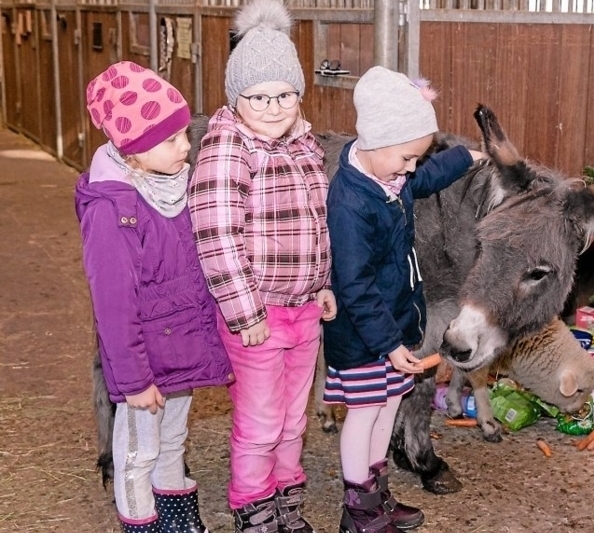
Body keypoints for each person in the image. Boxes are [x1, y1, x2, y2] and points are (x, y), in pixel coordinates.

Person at [187, 0, 336, 531]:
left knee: (294, 414)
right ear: (236, 96)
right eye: (258, 97)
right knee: (260, 417)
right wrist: (245, 312)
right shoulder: (226, 150)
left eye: (285, 94)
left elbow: (317, 221)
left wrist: (322, 283)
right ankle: (251, 502)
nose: (273, 107)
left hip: (303, 310)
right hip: (258, 314)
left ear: (299, 93)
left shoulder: (304, 144)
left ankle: (286, 492)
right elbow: (216, 234)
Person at [323, 66, 486, 533]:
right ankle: (358, 511)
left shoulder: (390, 176)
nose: (412, 168)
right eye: (407, 157)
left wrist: (467, 157)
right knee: (365, 413)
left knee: (389, 405)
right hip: (364, 336)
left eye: (416, 157)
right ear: (376, 141)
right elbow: (353, 283)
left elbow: (428, 174)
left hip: (395, 326)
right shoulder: (351, 201)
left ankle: (376, 496)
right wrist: (389, 343)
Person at [75, 60, 234, 533]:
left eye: (185, 134)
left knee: (172, 441)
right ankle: (141, 524)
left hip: (180, 348)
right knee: (138, 452)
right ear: (133, 151)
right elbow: (113, 305)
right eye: (171, 140)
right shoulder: (112, 209)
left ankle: (178, 521)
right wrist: (133, 378)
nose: (186, 146)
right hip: (142, 365)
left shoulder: (176, 185)